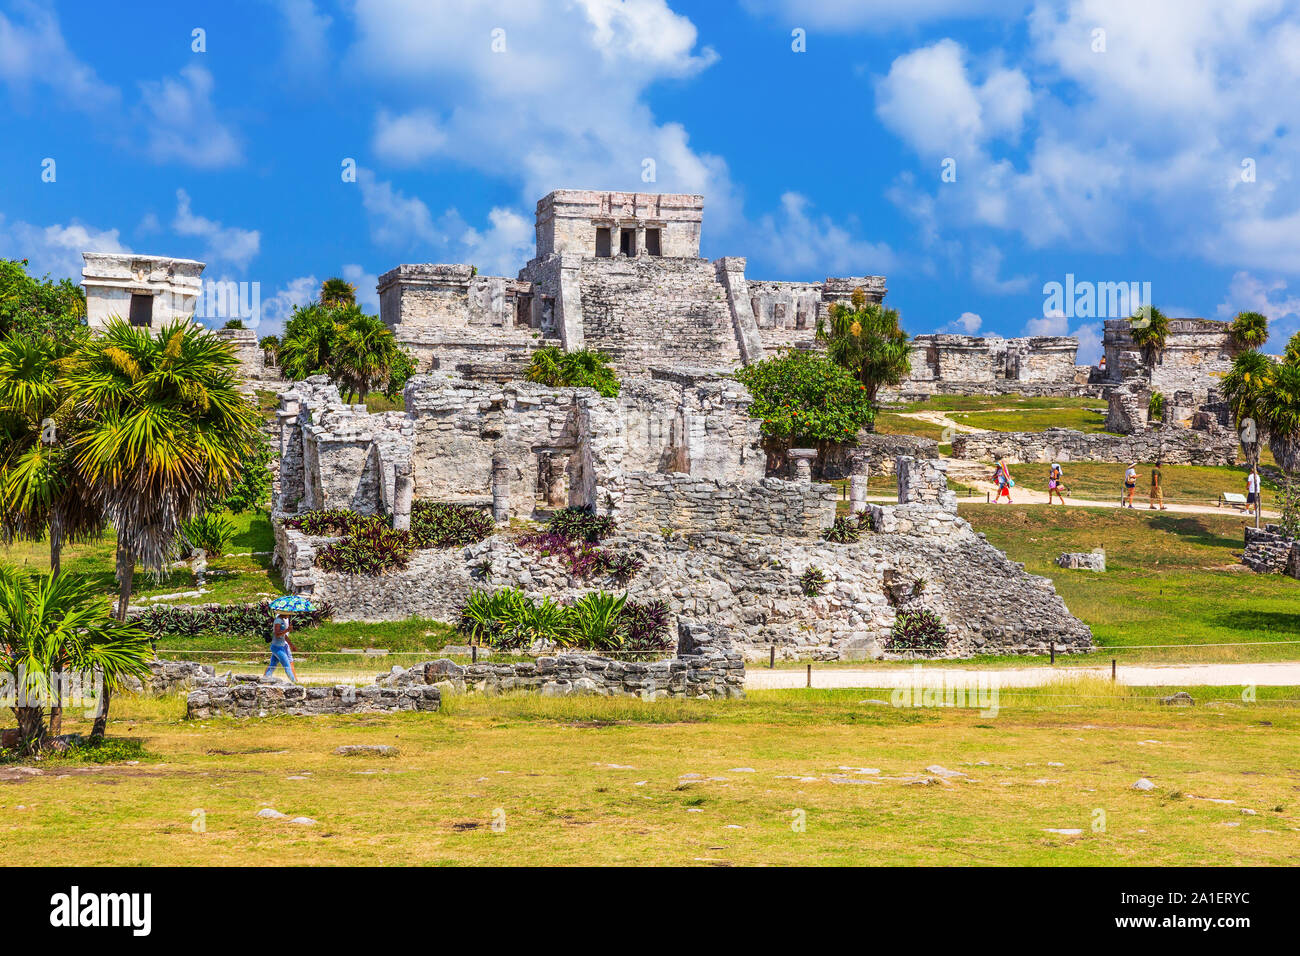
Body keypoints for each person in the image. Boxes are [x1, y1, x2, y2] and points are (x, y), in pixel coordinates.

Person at [265, 612, 298, 683]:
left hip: (280, 646)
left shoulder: (282, 620)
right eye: (288, 614)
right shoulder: (278, 621)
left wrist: (291, 644)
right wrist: (287, 630)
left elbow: (284, 636)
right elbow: (277, 634)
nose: (289, 616)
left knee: (272, 665)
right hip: (277, 647)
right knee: (287, 666)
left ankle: (265, 679)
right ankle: (294, 682)